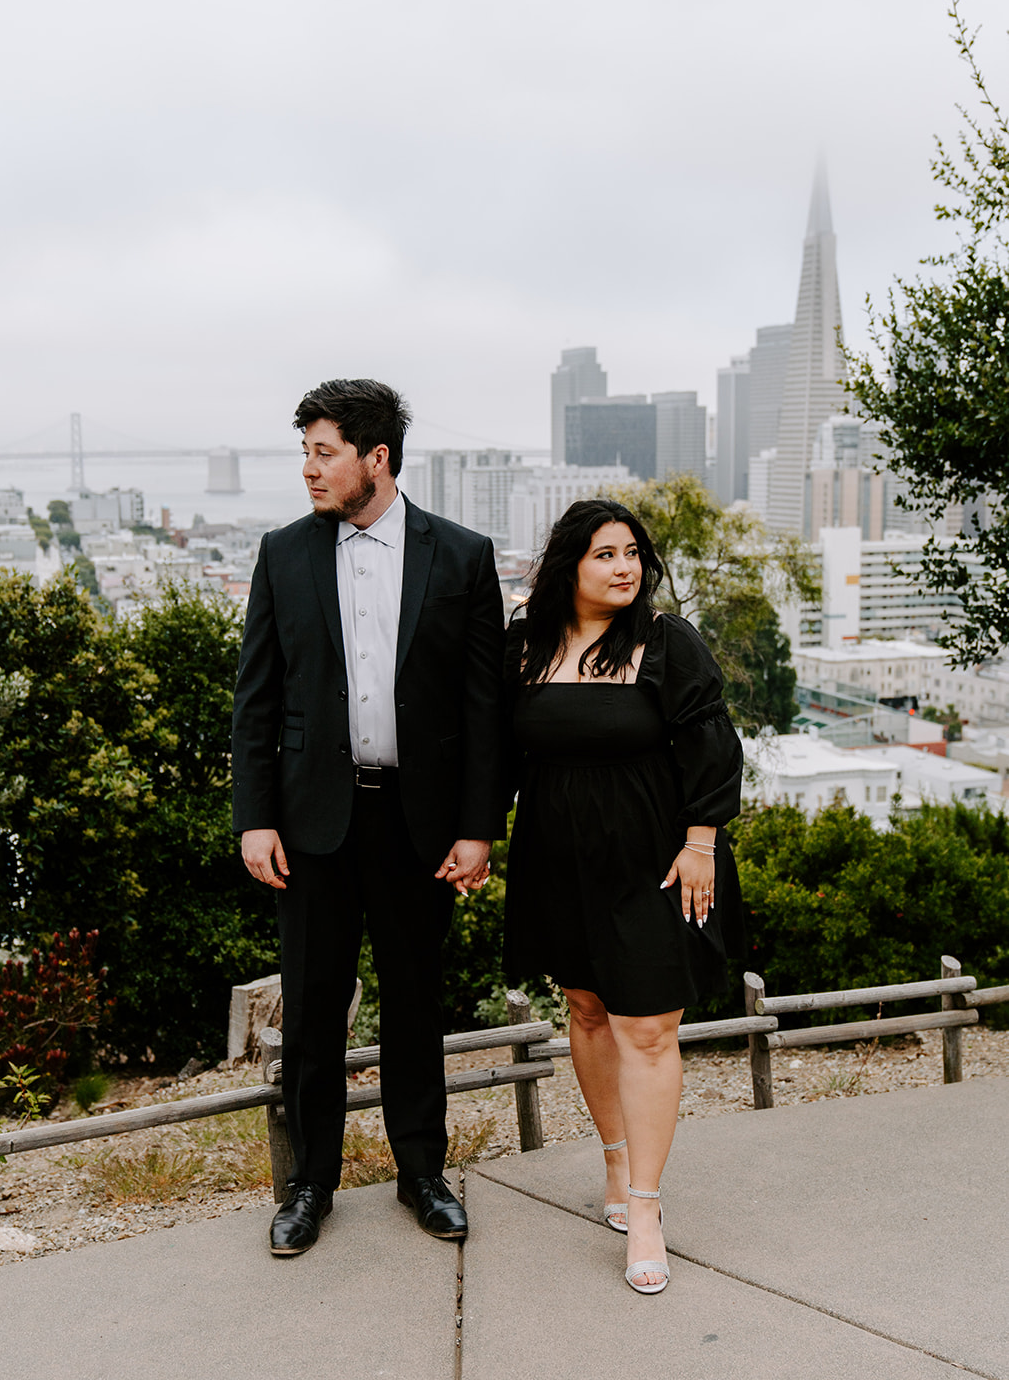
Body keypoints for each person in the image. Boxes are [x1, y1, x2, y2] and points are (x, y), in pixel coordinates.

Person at [232, 378, 504, 1257]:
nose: (308, 469)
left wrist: (477, 827)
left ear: (375, 458)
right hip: (310, 822)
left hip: (418, 824)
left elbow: (483, 707)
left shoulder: (461, 555)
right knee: (313, 1009)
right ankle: (309, 1185)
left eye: (325, 452)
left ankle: (421, 1173)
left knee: (414, 1005)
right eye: (305, 452)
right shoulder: (282, 553)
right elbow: (257, 700)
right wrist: (254, 818)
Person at [503, 498, 745, 1295]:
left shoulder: (665, 641)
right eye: (604, 554)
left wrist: (701, 842)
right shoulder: (525, 645)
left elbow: (711, 742)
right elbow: (495, 752)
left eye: (632, 553)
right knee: (585, 1009)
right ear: (568, 565)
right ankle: (614, 1161)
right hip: (557, 858)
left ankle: (645, 1207)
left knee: (646, 1024)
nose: (623, 567)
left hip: (653, 859)